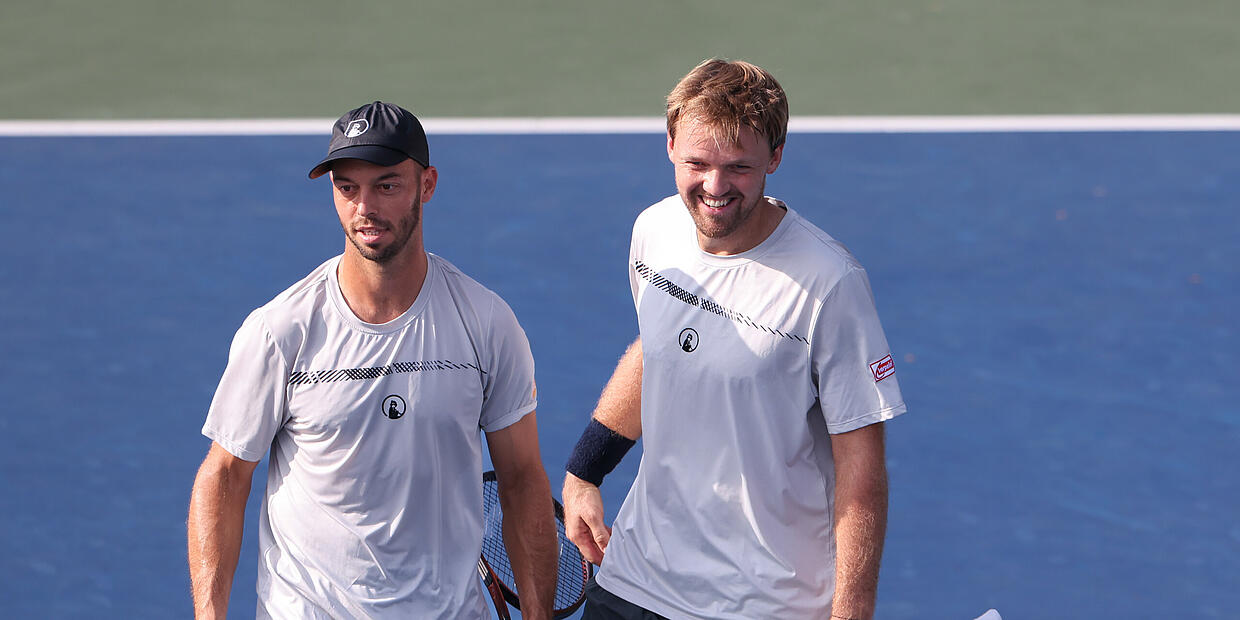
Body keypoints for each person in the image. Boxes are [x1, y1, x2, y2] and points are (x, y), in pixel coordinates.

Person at [562, 60, 907, 620]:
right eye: (698, 163)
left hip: (761, 601)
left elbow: (861, 467)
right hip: (636, 578)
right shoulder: (655, 231)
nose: (715, 188)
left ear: (775, 157)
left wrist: (853, 610)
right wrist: (585, 470)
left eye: (739, 167)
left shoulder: (830, 283)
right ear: (670, 144)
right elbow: (660, 348)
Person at [188, 101, 558, 619]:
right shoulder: (280, 330)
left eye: (387, 185)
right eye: (347, 188)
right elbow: (224, 477)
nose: (365, 207)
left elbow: (521, 478)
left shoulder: (486, 324)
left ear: (426, 185)